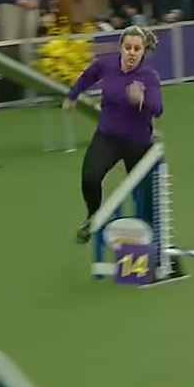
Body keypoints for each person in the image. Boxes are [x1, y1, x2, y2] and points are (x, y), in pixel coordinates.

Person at [63, 25, 163, 244]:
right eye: (128, 47)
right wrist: (72, 96)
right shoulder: (107, 65)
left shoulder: (149, 76)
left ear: (143, 52)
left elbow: (158, 109)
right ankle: (93, 216)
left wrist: (141, 100)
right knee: (90, 177)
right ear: (121, 48)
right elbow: (88, 76)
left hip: (138, 142)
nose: (132, 53)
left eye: (137, 49)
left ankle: (152, 238)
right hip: (108, 136)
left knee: (144, 194)